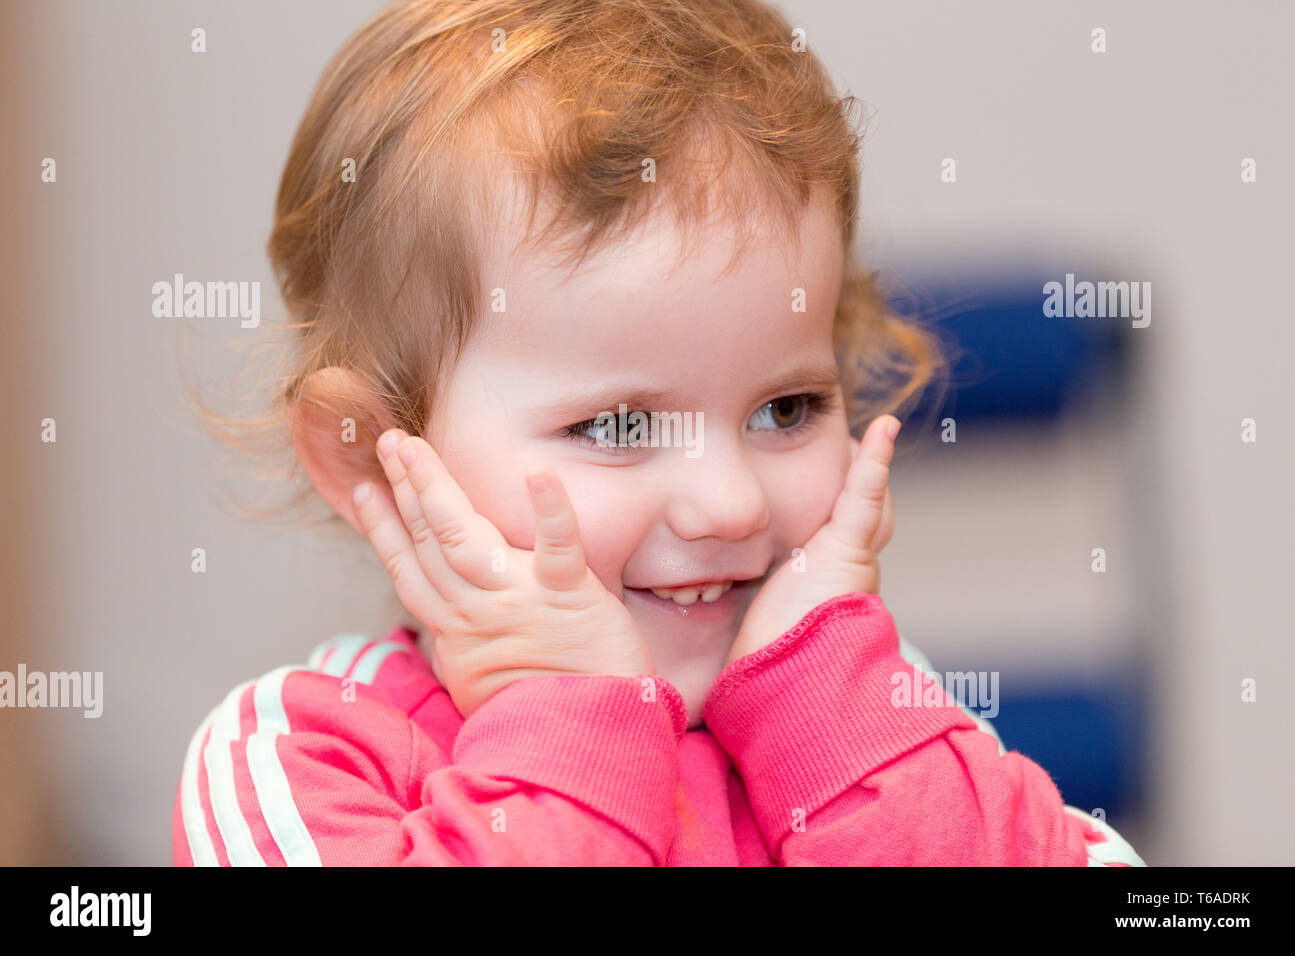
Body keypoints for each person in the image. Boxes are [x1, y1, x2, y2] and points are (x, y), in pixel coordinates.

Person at [174, 0, 1145, 866]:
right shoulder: (298, 753)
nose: (729, 502)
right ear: (368, 453)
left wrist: (828, 719)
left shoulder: (867, 717)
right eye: (617, 423)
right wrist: (575, 724)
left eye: (785, 409)